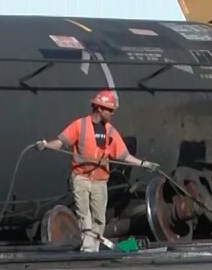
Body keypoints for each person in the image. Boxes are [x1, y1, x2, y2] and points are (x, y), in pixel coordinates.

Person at [36, 89, 159, 252]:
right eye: (109, 109)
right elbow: (61, 142)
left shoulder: (110, 132)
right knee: (84, 216)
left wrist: (144, 163)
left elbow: (124, 156)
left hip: (101, 180)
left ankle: (93, 250)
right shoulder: (80, 126)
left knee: (99, 219)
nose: (112, 113)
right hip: (81, 178)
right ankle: (87, 250)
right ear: (99, 108)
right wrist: (46, 145)